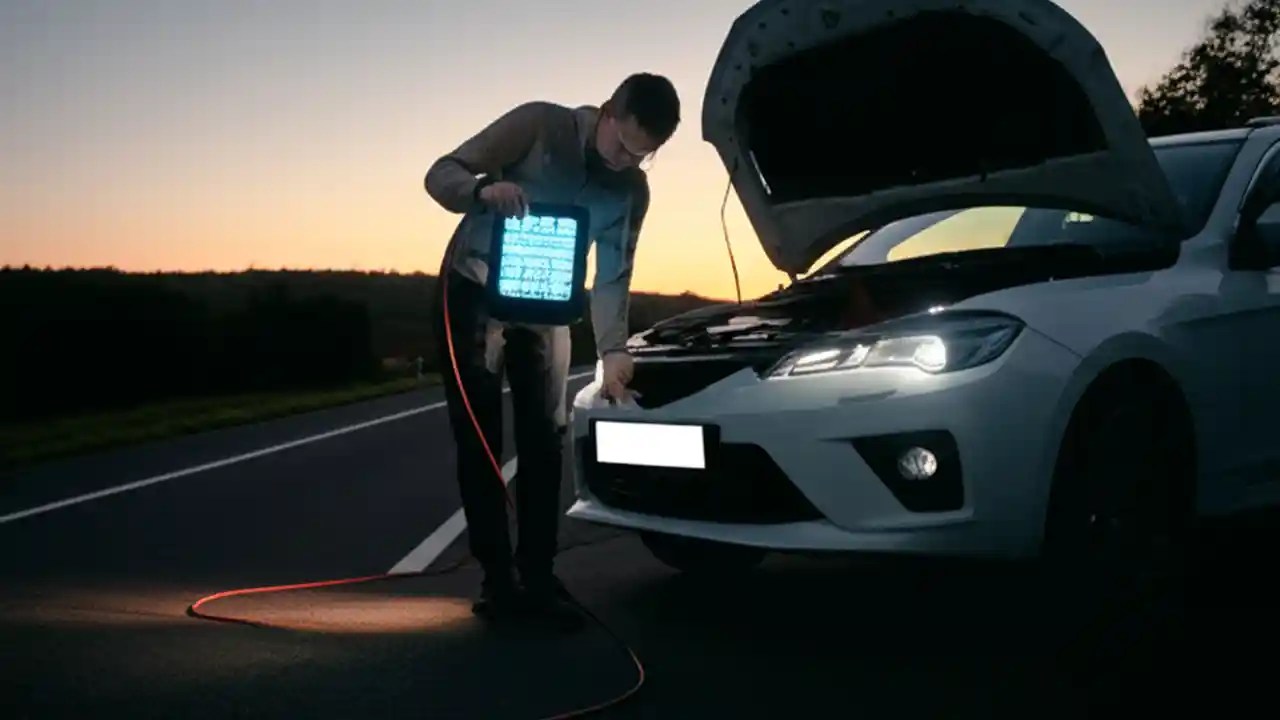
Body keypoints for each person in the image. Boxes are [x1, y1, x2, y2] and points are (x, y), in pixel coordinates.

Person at [424, 73, 680, 630]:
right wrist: (481, 191)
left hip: (547, 304)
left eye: (642, 156)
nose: (623, 163)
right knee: (482, 437)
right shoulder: (540, 124)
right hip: (476, 289)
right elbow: (439, 172)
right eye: (621, 146)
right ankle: (498, 580)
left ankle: (538, 575)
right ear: (608, 111)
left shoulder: (631, 189)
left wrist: (614, 351)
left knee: (546, 437)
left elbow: (613, 275)